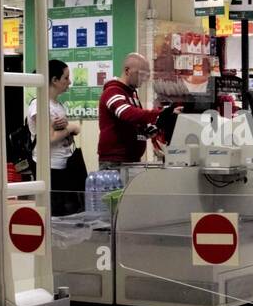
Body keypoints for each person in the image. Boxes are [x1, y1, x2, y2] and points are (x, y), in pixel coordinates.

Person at [29, 60, 85, 216]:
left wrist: (66, 127)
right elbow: (48, 138)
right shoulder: (39, 106)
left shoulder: (57, 105)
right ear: (54, 80)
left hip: (63, 165)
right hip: (49, 167)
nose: (69, 82)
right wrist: (70, 128)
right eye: (66, 78)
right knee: (55, 211)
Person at [97, 52, 172, 168]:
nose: (143, 79)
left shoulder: (132, 94)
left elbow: (135, 124)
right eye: (141, 74)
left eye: (146, 75)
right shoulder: (112, 92)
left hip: (130, 160)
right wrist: (160, 112)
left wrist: (151, 129)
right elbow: (127, 114)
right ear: (127, 71)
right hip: (114, 162)